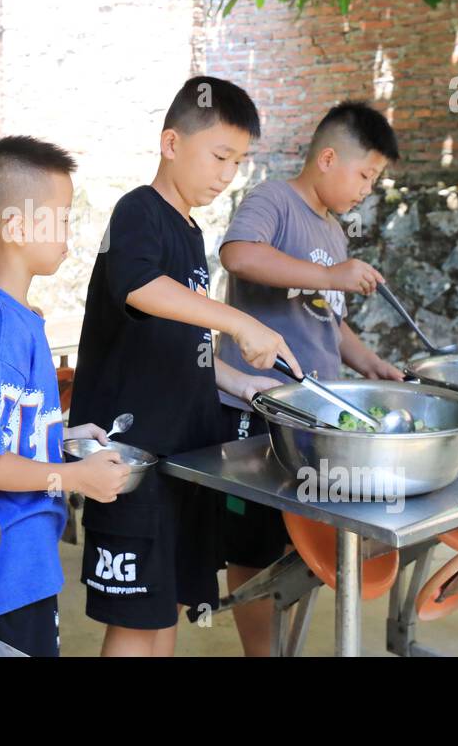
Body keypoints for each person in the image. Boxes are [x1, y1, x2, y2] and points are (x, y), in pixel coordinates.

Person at [69, 74, 302, 657]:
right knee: (133, 619)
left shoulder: (192, 232)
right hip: (130, 459)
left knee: (167, 604)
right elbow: (139, 286)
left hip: (185, 458)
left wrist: (242, 381)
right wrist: (240, 321)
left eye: (239, 161)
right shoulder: (138, 213)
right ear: (171, 143)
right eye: (220, 155)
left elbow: (184, 339)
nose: (228, 175)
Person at [218, 99, 403, 655]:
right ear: (328, 157)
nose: (368, 188)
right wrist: (329, 274)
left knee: (296, 541)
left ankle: (281, 643)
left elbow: (327, 320)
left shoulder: (333, 231)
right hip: (259, 411)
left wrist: (368, 362)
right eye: (365, 174)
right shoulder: (274, 200)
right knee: (253, 549)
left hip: (317, 417)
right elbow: (238, 255)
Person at [0, 136, 129, 656]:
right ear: (18, 227)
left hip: (22, 566)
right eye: (62, 218)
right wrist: (75, 478)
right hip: (3, 575)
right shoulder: (0, 335)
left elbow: (2, 430)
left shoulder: (12, 316)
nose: (70, 232)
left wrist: (58, 436)